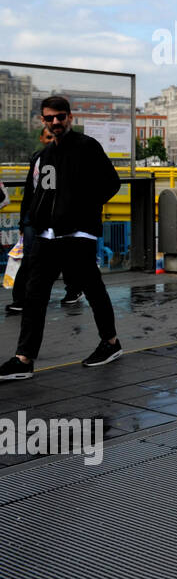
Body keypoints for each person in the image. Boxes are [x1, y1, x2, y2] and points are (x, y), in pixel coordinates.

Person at [0, 96, 123, 380]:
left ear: (70, 117)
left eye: (60, 116)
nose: (55, 122)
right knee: (34, 296)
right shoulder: (43, 155)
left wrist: (82, 209)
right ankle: (24, 359)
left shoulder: (87, 147)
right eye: (49, 118)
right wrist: (31, 221)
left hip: (77, 234)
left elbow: (111, 183)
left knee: (92, 288)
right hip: (46, 236)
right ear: (42, 120)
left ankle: (111, 342)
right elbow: (38, 194)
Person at [6, 126, 82, 314]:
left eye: (53, 136)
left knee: (64, 255)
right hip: (35, 217)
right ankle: (21, 299)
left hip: (61, 217)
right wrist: (24, 221)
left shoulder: (69, 159)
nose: (50, 140)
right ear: (41, 138)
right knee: (31, 256)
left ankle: (73, 290)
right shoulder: (37, 158)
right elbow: (29, 192)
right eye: (47, 137)